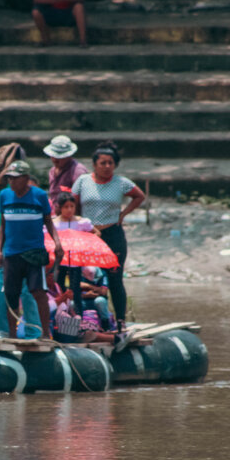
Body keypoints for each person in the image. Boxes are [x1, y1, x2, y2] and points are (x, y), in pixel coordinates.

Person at [71, 141, 145, 332]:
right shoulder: (83, 181)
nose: (106, 167)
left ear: (115, 165)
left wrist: (124, 213)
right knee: (87, 278)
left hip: (113, 234)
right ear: (94, 164)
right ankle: (89, 320)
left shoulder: (121, 182)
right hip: (88, 236)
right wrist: (79, 223)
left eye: (110, 163)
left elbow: (139, 196)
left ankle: (120, 321)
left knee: (115, 279)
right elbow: (74, 204)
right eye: (102, 163)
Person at [0, 160, 63, 339]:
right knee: (11, 295)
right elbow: (3, 225)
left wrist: (57, 243)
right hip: (11, 253)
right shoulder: (4, 196)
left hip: (34, 253)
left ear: (25, 178)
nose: (11, 182)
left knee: (38, 292)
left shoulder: (39, 195)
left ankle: (45, 334)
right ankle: (12, 336)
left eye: (15, 178)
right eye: (9, 178)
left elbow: (48, 221)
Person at [53, 192, 93, 315]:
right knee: (59, 288)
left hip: (76, 260)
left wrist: (83, 241)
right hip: (59, 260)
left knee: (75, 290)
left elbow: (95, 233)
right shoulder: (54, 223)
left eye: (72, 206)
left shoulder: (81, 222)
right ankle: (60, 317)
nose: (69, 210)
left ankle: (79, 318)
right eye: (66, 207)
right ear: (59, 207)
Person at [44, 134, 88, 205]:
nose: (55, 159)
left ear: (69, 156)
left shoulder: (78, 171)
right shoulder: (52, 171)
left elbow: (81, 199)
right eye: (53, 156)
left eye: (59, 157)